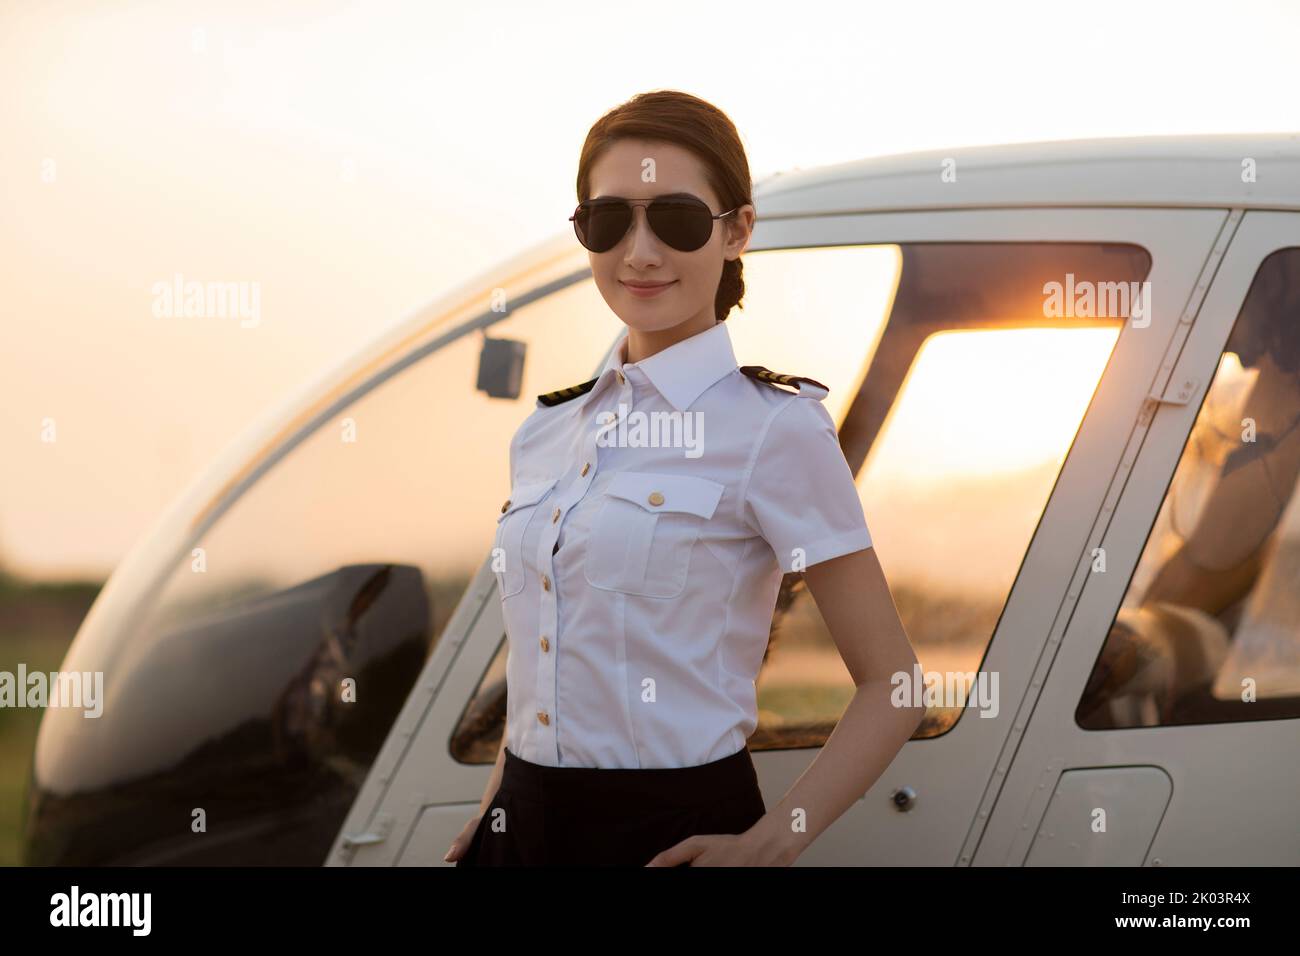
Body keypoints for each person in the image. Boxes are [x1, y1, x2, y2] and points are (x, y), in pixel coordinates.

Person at [447, 90, 924, 867]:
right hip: (517, 831)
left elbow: (895, 686)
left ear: (736, 230)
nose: (639, 251)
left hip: (670, 836)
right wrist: (495, 808)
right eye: (609, 220)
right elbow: (544, 655)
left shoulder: (776, 426)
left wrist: (774, 843)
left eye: (675, 218)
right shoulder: (545, 431)